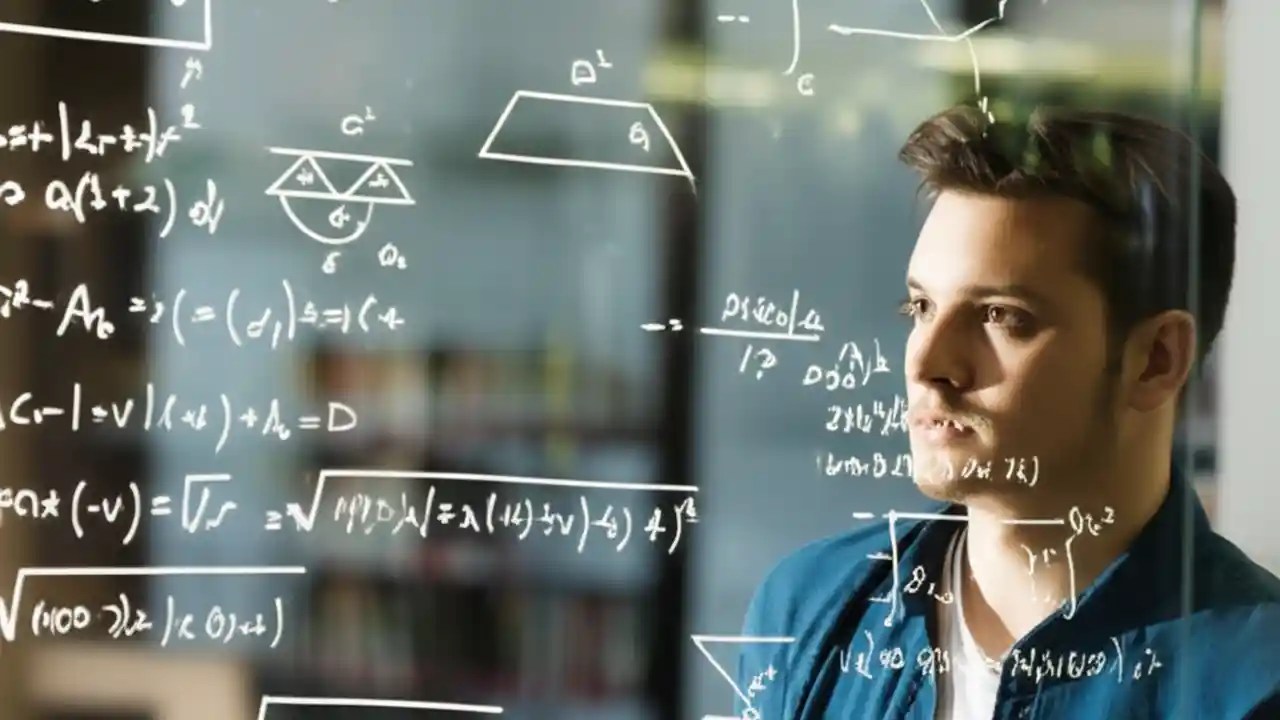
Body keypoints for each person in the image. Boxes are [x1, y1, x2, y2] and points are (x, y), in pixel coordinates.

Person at [734, 104, 1280, 719]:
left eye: (1000, 316)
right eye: (921, 308)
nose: (927, 363)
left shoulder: (1255, 681)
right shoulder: (809, 610)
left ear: (1156, 360)